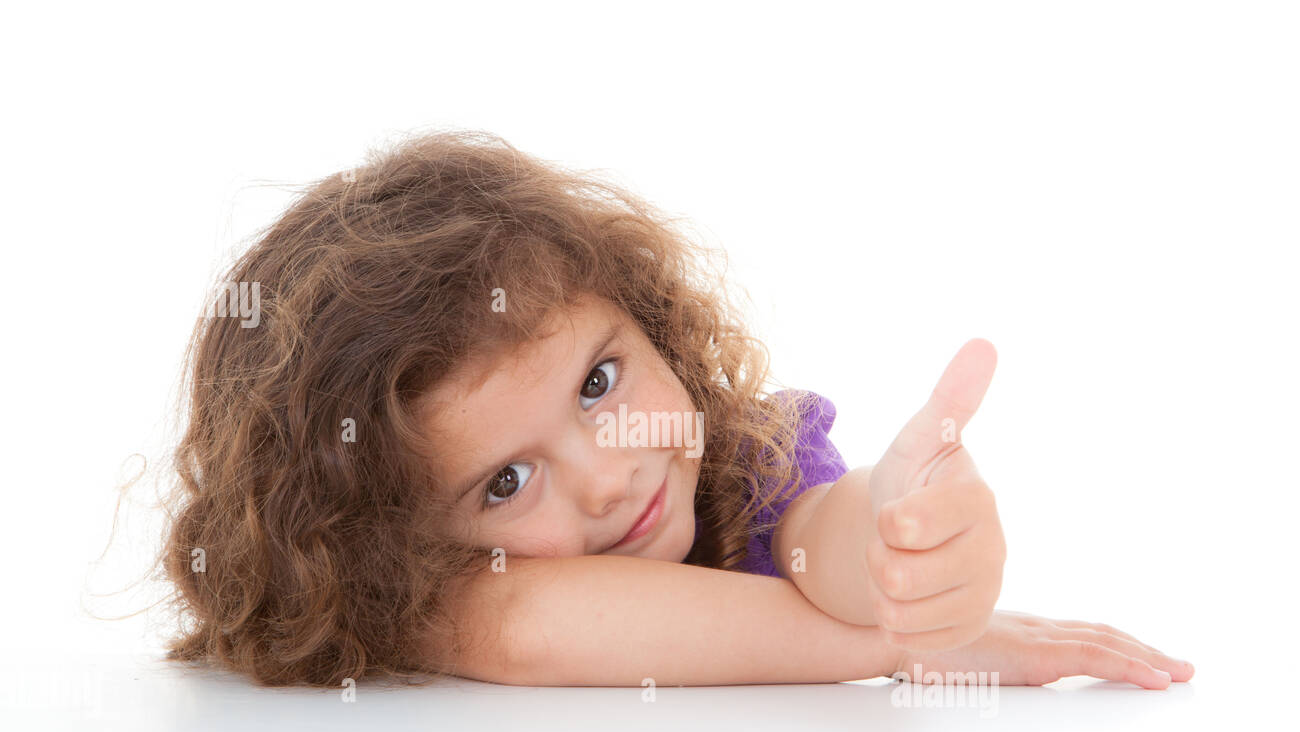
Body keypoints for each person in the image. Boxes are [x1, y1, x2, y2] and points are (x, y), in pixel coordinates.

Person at [160, 129, 1194, 691]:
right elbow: (521, 626)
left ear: (648, 315)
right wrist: (903, 644)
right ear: (397, 547)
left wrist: (895, 549)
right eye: (507, 482)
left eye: (599, 382)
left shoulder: (756, 463)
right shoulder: (428, 595)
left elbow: (820, 544)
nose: (613, 473)